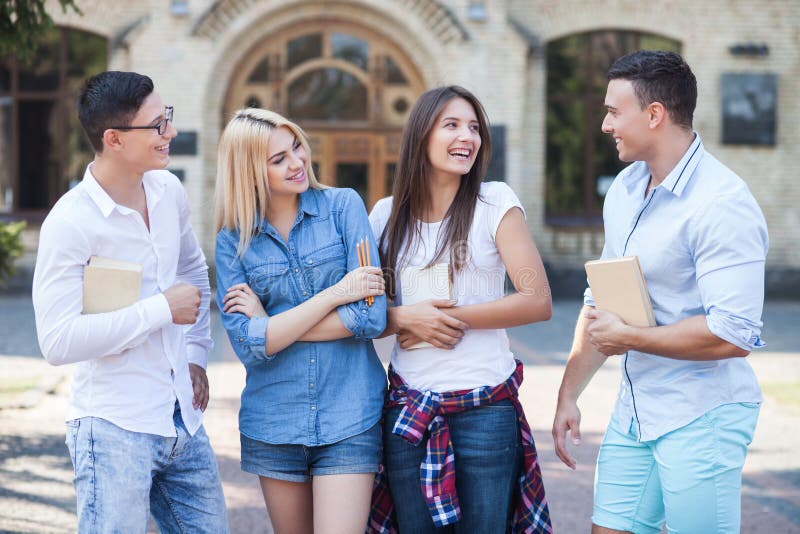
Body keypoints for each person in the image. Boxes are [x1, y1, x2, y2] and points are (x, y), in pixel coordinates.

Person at [552, 50, 768, 534]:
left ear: (654, 115)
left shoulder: (723, 204)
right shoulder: (625, 189)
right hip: (636, 409)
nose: (605, 125)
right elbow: (600, 302)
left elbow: (732, 334)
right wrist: (569, 394)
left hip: (703, 414)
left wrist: (629, 338)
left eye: (613, 111)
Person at [31, 71, 228, 532]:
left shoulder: (168, 192)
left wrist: (197, 354)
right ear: (114, 139)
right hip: (112, 427)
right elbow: (57, 342)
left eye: (169, 119)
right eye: (157, 125)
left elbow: (193, 272)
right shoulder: (70, 222)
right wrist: (161, 308)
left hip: (183, 420)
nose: (171, 133)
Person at [368, 85, 553, 533]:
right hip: (409, 410)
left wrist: (450, 319)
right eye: (451, 125)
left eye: (473, 128)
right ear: (421, 136)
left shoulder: (496, 204)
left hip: (485, 410)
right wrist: (405, 318)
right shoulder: (384, 216)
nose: (466, 137)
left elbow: (538, 300)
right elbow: (365, 316)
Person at [214, 108, 387, 534]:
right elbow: (249, 345)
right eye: (278, 159)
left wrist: (272, 325)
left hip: (351, 416)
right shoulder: (232, 242)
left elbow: (370, 316)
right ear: (249, 170)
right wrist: (335, 294)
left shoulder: (343, 206)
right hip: (274, 423)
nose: (297, 163)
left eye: (296, 147)